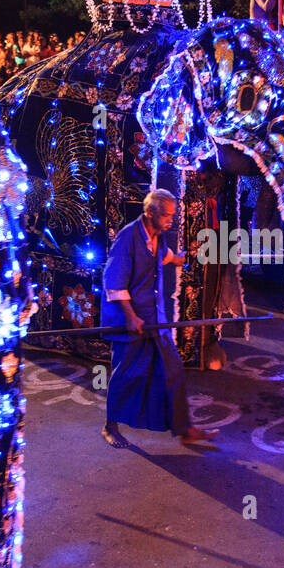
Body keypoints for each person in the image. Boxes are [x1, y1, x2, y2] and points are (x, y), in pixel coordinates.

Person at [100, 189, 217, 449]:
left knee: (173, 369)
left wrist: (179, 260)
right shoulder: (128, 237)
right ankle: (110, 426)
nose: (170, 220)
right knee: (125, 375)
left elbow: (161, 256)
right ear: (150, 212)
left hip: (155, 318)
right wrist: (130, 317)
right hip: (127, 321)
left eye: (172, 216)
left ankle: (185, 429)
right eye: (166, 215)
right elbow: (114, 282)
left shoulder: (158, 236)